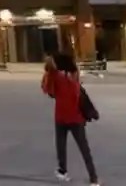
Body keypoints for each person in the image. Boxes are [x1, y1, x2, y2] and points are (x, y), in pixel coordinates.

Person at [42, 53, 100, 186]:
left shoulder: (56, 76)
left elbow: (47, 90)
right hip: (76, 118)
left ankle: (63, 171)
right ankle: (93, 178)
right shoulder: (74, 76)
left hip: (61, 117)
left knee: (60, 146)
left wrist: (49, 70)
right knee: (84, 149)